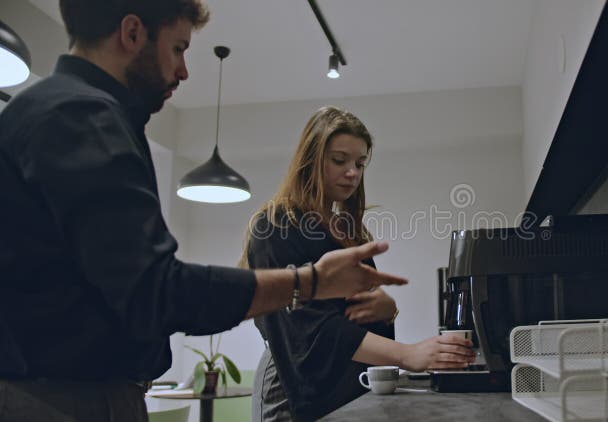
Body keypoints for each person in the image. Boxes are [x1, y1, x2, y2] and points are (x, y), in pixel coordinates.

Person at [0, 2, 407, 421]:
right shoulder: (80, 117)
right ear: (132, 33)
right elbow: (158, 291)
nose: (183, 71)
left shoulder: (71, 113)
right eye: (178, 48)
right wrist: (310, 282)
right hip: (62, 399)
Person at [241, 106, 476, 422]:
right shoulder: (274, 226)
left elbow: (361, 313)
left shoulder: (347, 231)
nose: (352, 172)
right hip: (291, 384)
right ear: (310, 159)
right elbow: (309, 328)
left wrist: (386, 310)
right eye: (339, 161)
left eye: (360, 164)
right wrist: (409, 354)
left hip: (347, 383)